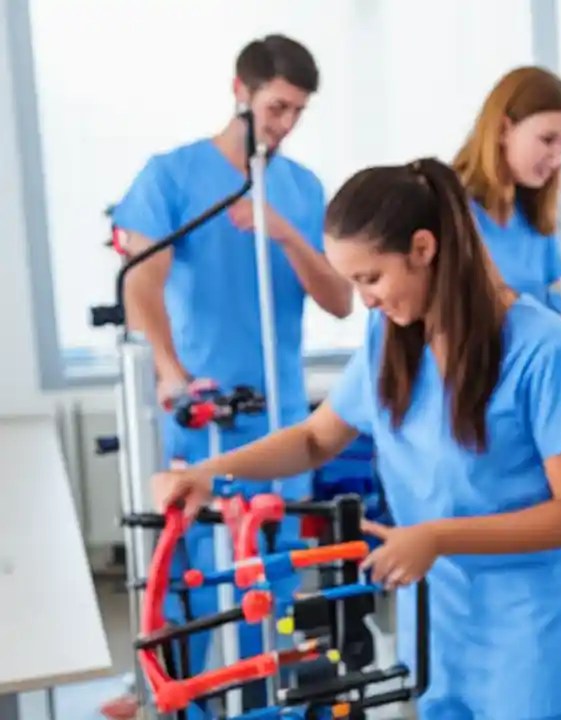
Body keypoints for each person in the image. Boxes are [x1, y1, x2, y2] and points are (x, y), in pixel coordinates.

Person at [152, 157, 561, 720]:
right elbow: (317, 438)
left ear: (424, 248)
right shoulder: (391, 337)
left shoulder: (542, 351)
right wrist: (207, 472)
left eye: (372, 278)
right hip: (439, 627)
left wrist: (435, 537)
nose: (365, 300)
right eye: (354, 282)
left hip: (529, 638)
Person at [108, 34, 352, 715]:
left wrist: (287, 234)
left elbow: (340, 298)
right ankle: (173, 699)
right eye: (276, 107)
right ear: (239, 92)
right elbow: (142, 285)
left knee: (264, 588)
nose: (285, 124)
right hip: (204, 419)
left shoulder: (300, 190)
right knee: (188, 586)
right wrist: (171, 371)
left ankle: (261, 703)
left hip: (280, 425)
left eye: (298, 112)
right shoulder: (173, 177)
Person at [453, 65, 561, 336]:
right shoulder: (453, 213)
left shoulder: (534, 219)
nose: (557, 157)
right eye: (547, 139)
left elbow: (551, 317)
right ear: (504, 129)